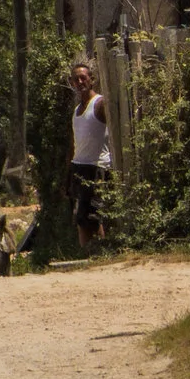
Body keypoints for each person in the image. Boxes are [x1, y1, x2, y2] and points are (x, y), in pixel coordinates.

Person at [65, 61, 112, 248]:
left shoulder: (99, 104)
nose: (80, 82)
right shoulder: (77, 110)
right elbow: (74, 143)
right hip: (79, 168)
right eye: (76, 79)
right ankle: (86, 253)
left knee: (94, 216)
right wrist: (69, 172)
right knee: (80, 217)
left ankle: (100, 252)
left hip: (96, 168)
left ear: (91, 80)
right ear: (71, 83)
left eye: (83, 78)